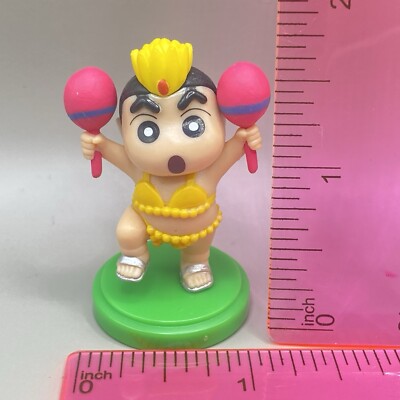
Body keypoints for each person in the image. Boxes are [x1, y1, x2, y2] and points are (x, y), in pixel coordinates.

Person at [81, 38, 261, 292]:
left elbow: (234, 150)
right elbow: (110, 151)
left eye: (193, 124)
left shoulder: (208, 172)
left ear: (221, 121)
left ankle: (195, 263)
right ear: (123, 130)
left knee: (198, 247)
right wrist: (97, 144)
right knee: (127, 231)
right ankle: (135, 255)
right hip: (146, 220)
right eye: (147, 129)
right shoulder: (139, 168)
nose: (172, 145)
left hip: (197, 229)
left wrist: (243, 139)